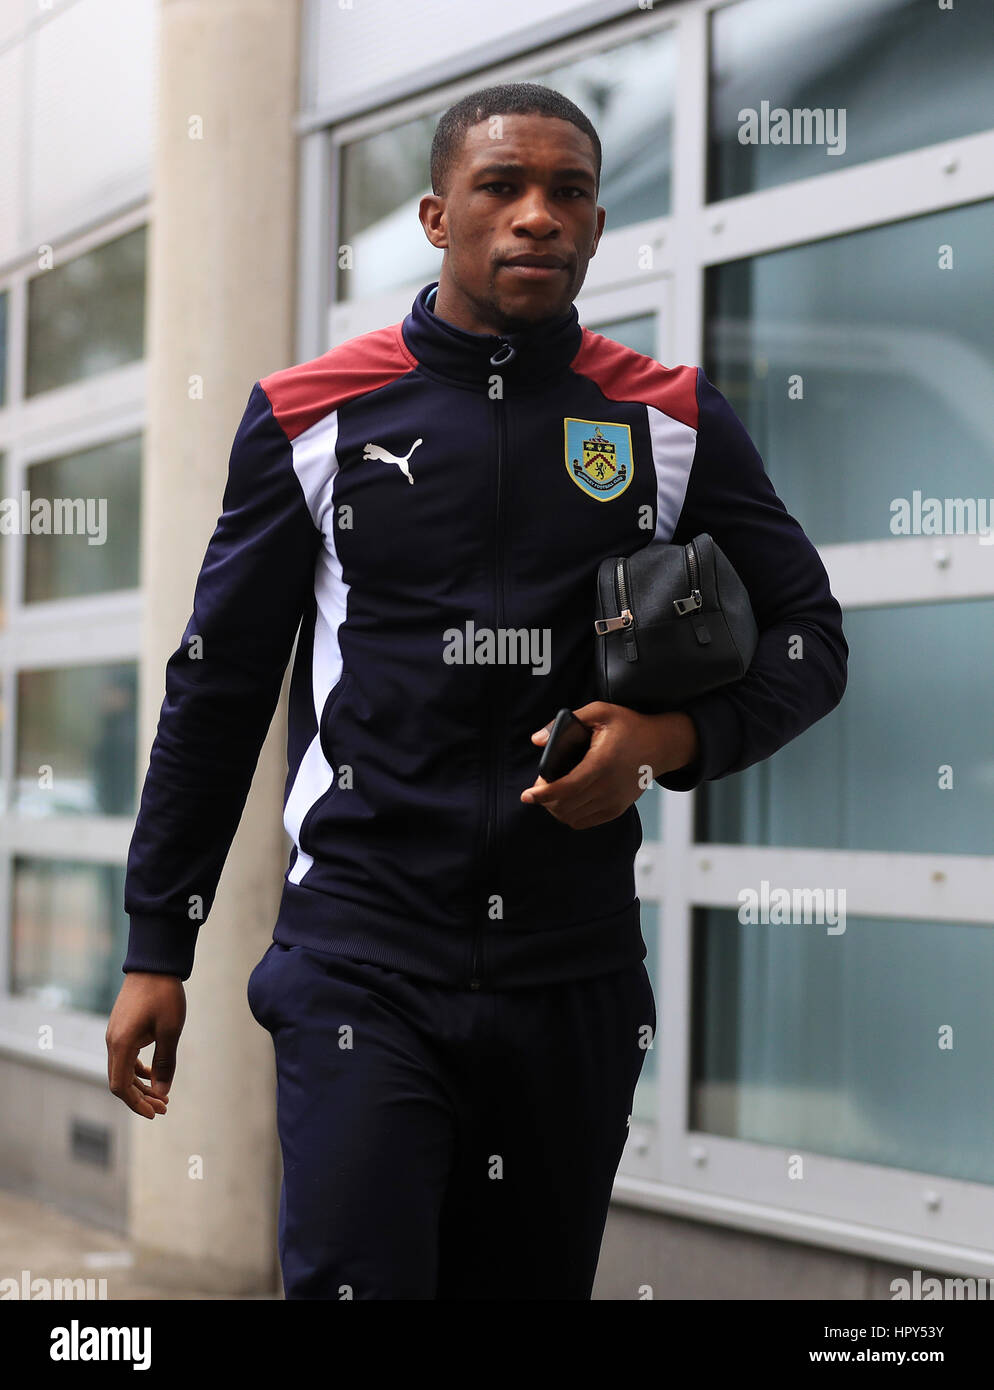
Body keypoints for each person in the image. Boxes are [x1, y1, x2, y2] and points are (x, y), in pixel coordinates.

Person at [105, 82, 848, 1299]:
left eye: (568, 193)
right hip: (362, 958)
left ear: (600, 228)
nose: (537, 217)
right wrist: (155, 943)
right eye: (502, 188)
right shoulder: (308, 412)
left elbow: (810, 637)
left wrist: (667, 736)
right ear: (437, 215)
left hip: (574, 974)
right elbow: (217, 689)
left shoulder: (663, 417)